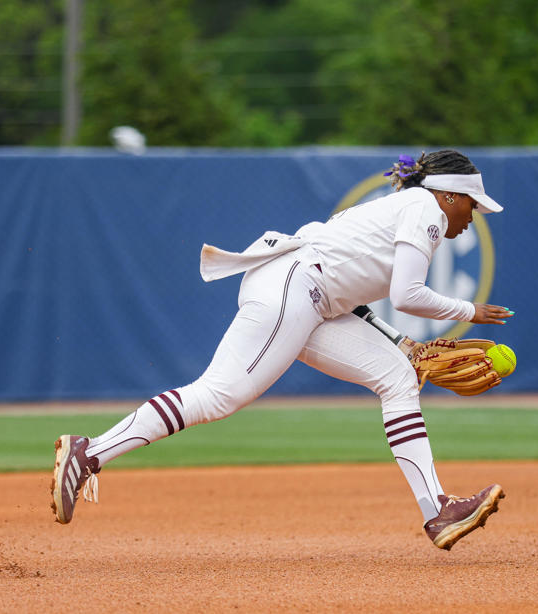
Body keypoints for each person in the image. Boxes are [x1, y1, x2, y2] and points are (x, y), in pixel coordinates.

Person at [50, 150, 514, 551]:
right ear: (450, 194)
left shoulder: (405, 208)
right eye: (472, 206)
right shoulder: (425, 209)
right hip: (294, 286)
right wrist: (468, 309)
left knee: (397, 375)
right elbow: (407, 294)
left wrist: (398, 342)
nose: (471, 217)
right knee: (218, 395)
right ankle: (88, 454)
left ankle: (439, 510)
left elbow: (351, 294)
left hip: (311, 294)